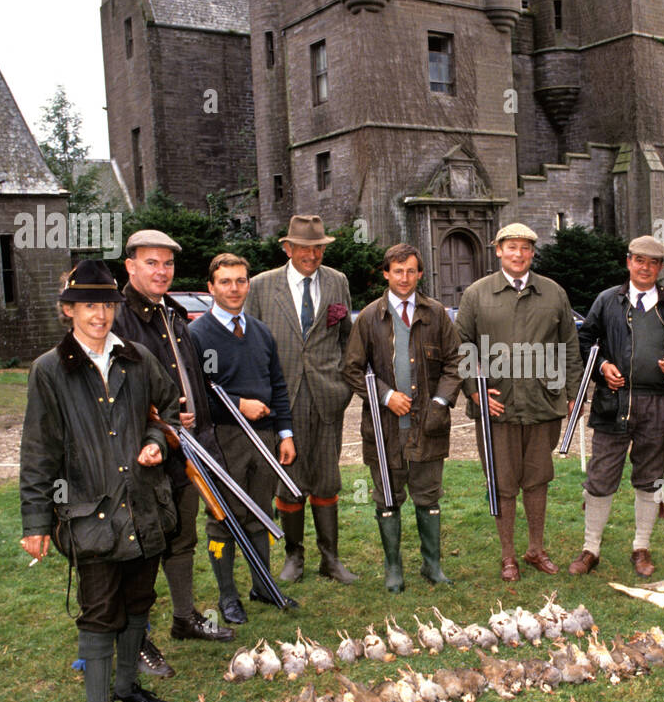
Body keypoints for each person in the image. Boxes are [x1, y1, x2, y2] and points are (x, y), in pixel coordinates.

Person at [19, 260, 181, 702]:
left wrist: (156, 442)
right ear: (69, 311)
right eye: (88, 305)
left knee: (139, 601)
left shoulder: (137, 357)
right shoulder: (50, 370)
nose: (99, 315)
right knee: (98, 615)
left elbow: (171, 409)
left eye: (107, 304)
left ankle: (128, 686)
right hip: (90, 517)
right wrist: (36, 521)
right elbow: (38, 451)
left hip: (144, 505)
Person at [112, 229, 234, 680]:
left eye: (167, 264)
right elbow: (113, 391)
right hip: (142, 452)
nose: (161, 272)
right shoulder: (119, 319)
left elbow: (191, 382)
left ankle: (184, 618)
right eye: (151, 263)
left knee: (181, 537)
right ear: (130, 266)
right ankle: (135, 637)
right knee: (141, 545)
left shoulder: (173, 315)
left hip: (187, 449)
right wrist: (161, 422)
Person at [455, 222, 584, 582]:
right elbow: (461, 346)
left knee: (538, 479)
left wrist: (573, 393)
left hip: (544, 403)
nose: (518, 254)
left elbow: (570, 347)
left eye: (525, 248)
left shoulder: (554, 293)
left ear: (532, 253)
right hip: (497, 406)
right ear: (497, 250)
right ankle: (508, 555)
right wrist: (474, 391)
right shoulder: (477, 294)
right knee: (503, 481)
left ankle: (536, 550)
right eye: (511, 247)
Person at [570, 235, 664, 578]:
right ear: (628, 262)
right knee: (600, 475)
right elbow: (585, 340)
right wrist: (601, 367)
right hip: (613, 402)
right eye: (639, 260)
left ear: (660, 268)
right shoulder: (607, 301)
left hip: (659, 402)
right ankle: (590, 549)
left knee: (652, 476)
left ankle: (641, 547)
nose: (645, 267)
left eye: (653, 262)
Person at [343, 244, 463, 593]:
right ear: (386, 274)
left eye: (411, 271)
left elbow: (456, 363)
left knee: (428, 496)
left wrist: (440, 402)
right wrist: (385, 396)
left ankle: (432, 565)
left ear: (420, 274)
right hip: (384, 429)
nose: (405, 278)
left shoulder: (438, 314)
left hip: (429, 426)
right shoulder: (368, 317)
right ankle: (393, 568)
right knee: (387, 498)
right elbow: (352, 369)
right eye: (398, 271)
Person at [245, 215, 357, 585]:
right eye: (305, 247)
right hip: (282, 399)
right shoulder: (262, 287)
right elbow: (251, 346)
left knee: (326, 479)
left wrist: (342, 386)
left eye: (319, 247)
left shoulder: (337, 282)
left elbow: (346, 339)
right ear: (287, 248)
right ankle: (293, 556)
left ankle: (331, 559)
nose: (312, 254)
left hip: (327, 397)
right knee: (288, 480)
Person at [189, 253, 298, 621]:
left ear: (248, 285)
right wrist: (238, 404)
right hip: (223, 438)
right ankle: (227, 595)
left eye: (240, 281)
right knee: (223, 516)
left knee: (260, 512)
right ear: (211, 287)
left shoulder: (261, 331)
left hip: (264, 439)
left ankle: (262, 584)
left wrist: (285, 432)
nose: (234, 288)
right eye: (225, 282)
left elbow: (278, 386)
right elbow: (196, 394)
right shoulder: (197, 335)